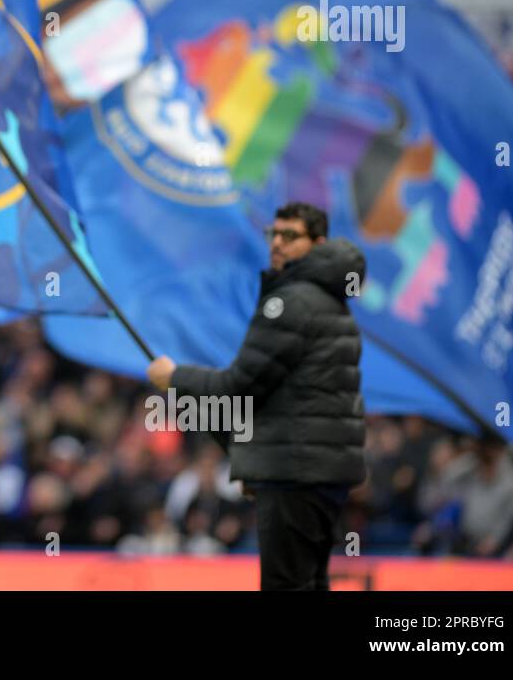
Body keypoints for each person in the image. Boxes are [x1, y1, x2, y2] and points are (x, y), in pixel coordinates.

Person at [146, 202, 367, 590]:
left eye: (290, 236)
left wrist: (175, 377)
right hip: (319, 471)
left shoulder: (291, 302)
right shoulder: (330, 300)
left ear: (318, 244)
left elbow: (238, 386)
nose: (277, 243)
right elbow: (285, 396)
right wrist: (255, 464)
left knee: (287, 585)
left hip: (295, 472)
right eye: (274, 234)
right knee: (310, 582)